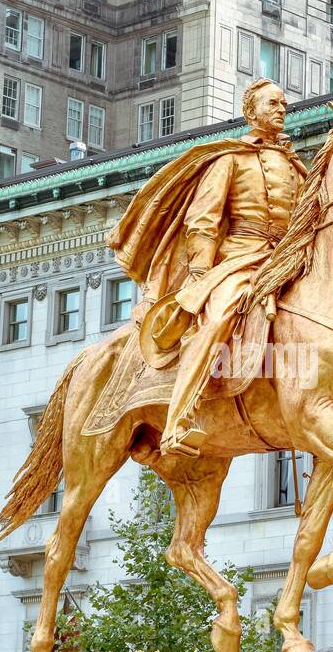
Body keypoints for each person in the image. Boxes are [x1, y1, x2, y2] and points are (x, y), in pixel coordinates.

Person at [108, 79, 307, 457]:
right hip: (239, 259)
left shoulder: (298, 168)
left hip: (285, 260)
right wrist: (201, 273)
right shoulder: (229, 159)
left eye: (284, 104)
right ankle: (179, 418)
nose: (281, 109)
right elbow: (203, 220)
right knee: (217, 320)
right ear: (251, 113)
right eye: (272, 103)